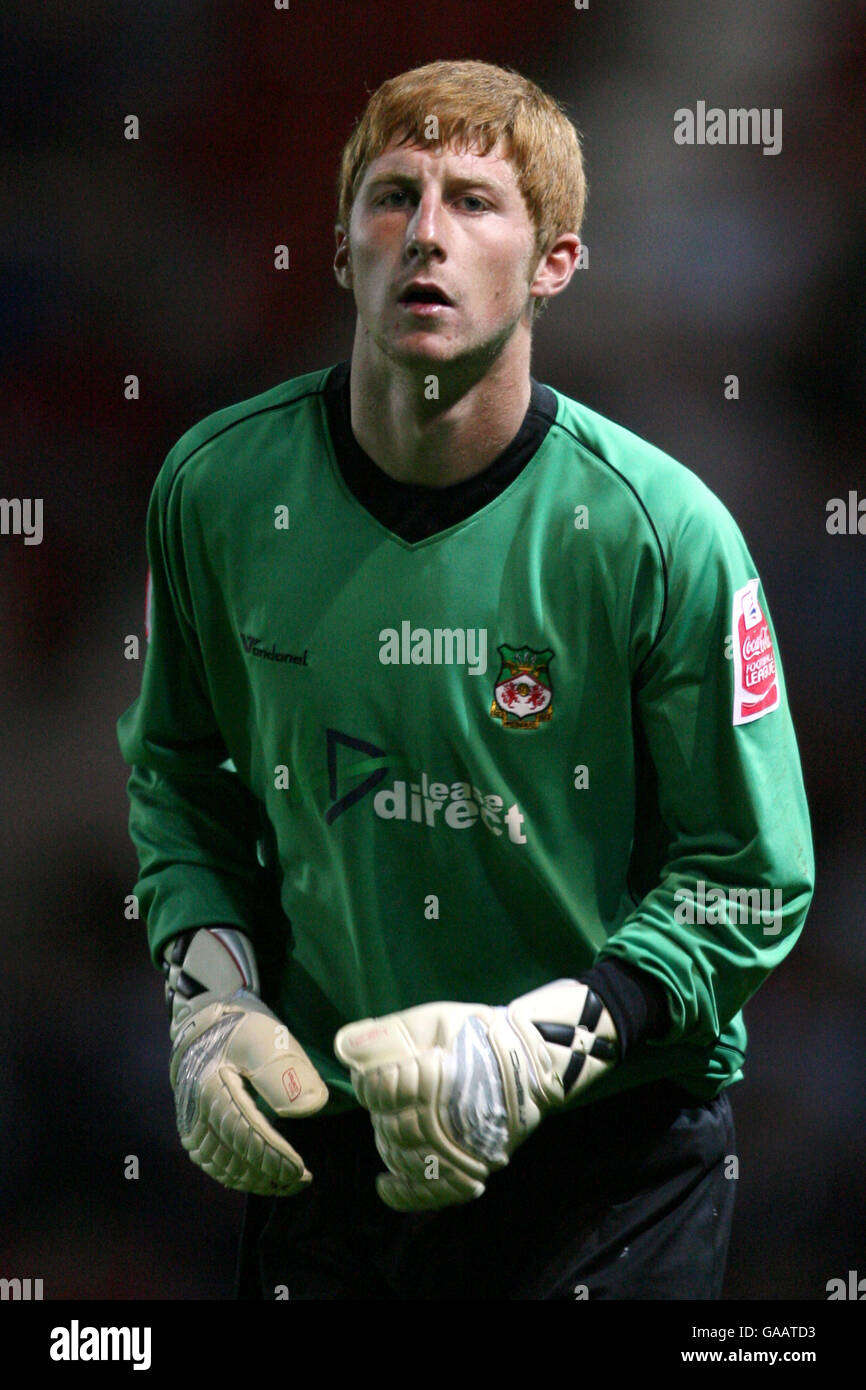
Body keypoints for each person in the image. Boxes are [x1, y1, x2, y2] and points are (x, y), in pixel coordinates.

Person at [117, 59, 814, 1300]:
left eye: (473, 201)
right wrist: (209, 996)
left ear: (553, 262)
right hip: (328, 1145)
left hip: (610, 1170)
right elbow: (180, 773)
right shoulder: (216, 490)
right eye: (392, 195)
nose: (424, 233)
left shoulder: (663, 531)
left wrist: (539, 1045)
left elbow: (748, 879)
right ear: (339, 251)